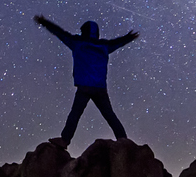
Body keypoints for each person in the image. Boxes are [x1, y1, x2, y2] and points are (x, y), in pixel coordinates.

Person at [35, 15, 139, 147]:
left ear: (84, 31)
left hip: (84, 87)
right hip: (100, 88)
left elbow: (60, 32)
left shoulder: (77, 42)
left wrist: (45, 23)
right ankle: (123, 139)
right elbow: (117, 42)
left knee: (75, 114)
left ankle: (64, 140)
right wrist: (129, 37)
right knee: (110, 115)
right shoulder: (104, 46)